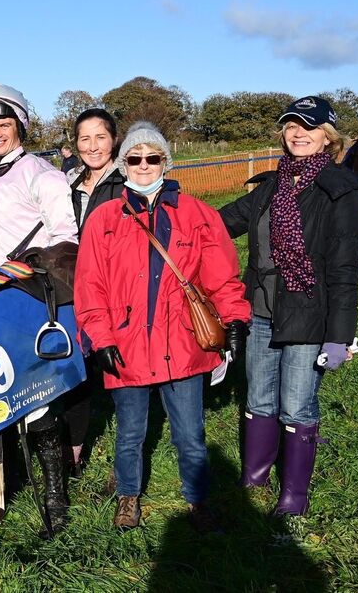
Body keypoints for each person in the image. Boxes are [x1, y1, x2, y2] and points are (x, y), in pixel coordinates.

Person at [75, 122, 251, 533]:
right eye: (134, 158)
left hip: (183, 344)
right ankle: (128, 496)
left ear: (165, 162)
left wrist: (235, 319)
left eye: (152, 157)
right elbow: (90, 285)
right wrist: (100, 337)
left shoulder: (198, 214)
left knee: (190, 433)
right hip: (127, 344)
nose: (143, 165)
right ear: (123, 163)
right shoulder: (104, 218)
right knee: (130, 432)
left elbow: (222, 277)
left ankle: (198, 499)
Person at [219, 96, 358, 517]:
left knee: (297, 404)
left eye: (309, 126)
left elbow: (345, 269)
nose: (298, 133)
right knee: (259, 399)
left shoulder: (340, 190)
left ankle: (294, 495)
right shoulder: (272, 186)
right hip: (261, 311)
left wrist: (339, 335)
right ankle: (254, 478)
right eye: (290, 125)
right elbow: (218, 224)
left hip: (308, 314)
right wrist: (170, 209)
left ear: (327, 136)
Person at [0, 84, 78, 531]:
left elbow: (65, 238)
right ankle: (4, 483)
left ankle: (54, 496)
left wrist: (22, 269)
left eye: (3, 125)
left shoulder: (42, 174)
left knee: (36, 396)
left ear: (20, 126)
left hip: (28, 296)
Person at [61, 108, 127, 477]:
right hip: (76, 291)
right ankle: (74, 453)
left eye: (100, 137)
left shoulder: (128, 180)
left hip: (118, 292)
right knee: (77, 373)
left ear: (114, 139)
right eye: (85, 138)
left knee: (123, 375)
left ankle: (126, 457)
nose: (93, 146)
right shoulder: (67, 185)